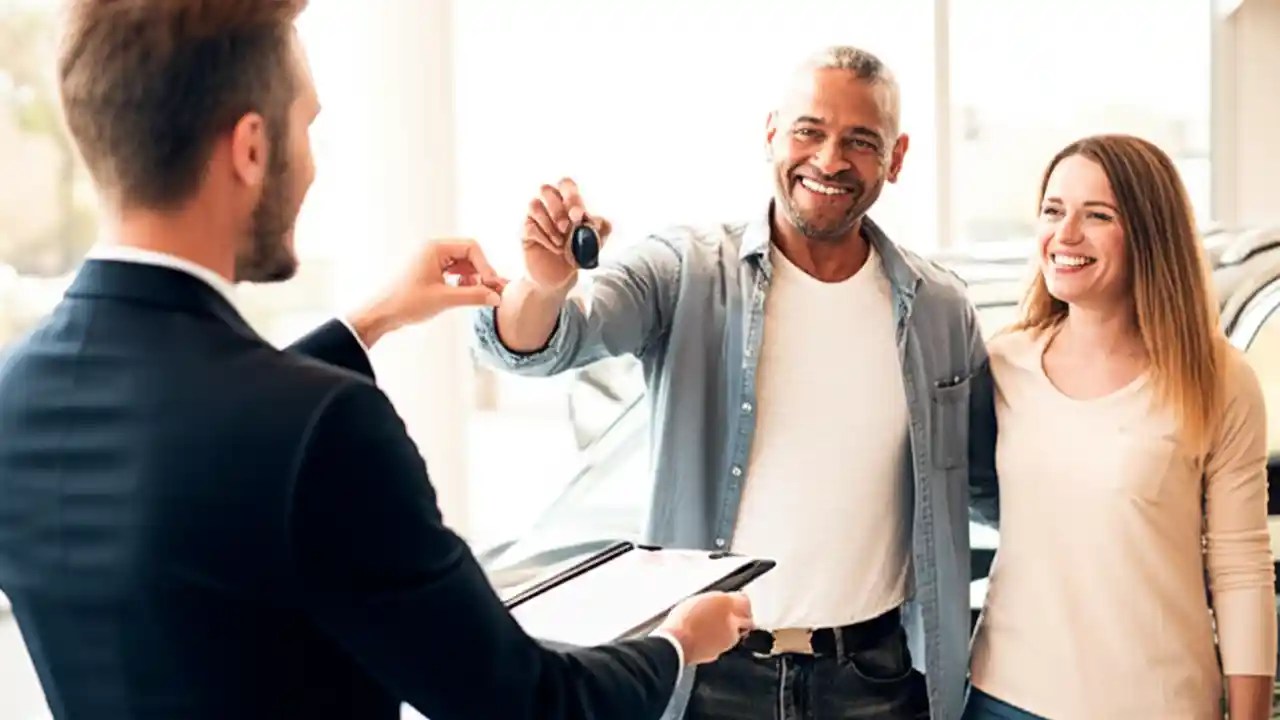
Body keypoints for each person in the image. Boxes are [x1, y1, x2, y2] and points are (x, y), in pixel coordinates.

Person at [0, 2, 756, 719]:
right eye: (307, 128)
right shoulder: (324, 428)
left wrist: (374, 319)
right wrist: (676, 645)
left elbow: (196, 453)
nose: (312, 165)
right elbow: (527, 702)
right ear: (252, 148)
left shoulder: (18, 395)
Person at [473, 45, 998, 720]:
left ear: (895, 158)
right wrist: (542, 285)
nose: (830, 159)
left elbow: (986, 484)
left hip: (875, 682)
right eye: (809, 130)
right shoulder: (684, 271)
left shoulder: (939, 309)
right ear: (772, 134)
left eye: (860, 141)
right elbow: (545, 344)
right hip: (709, 679)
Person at [963, 134, 1277, 720]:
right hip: (1003, 699)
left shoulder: (1218, 379)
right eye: (1053, 211)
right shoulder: (1003, 365)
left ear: (1150, 234)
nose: (1066, 234)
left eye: (1097, 215)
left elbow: (1240, 567)